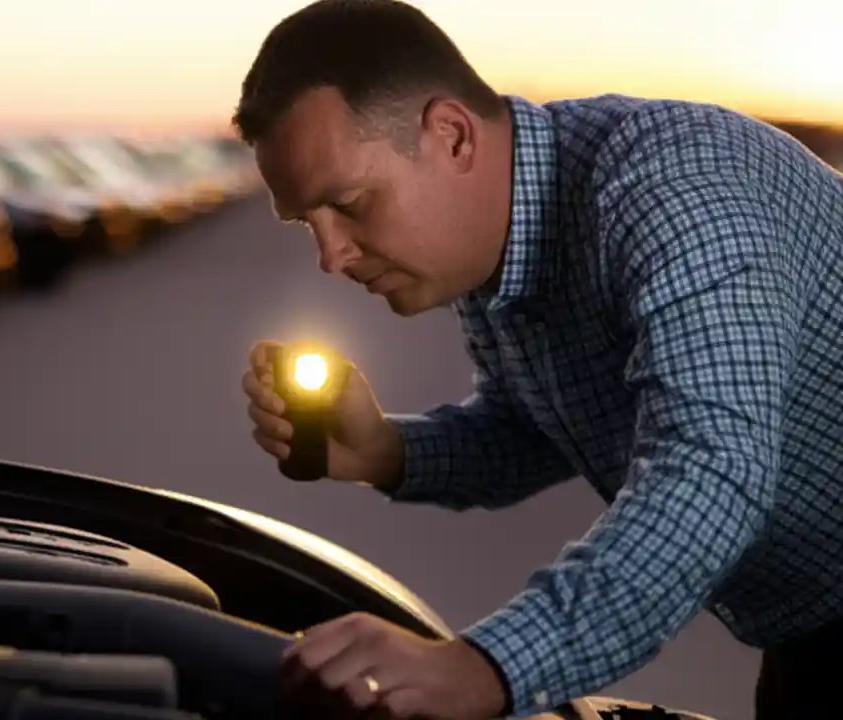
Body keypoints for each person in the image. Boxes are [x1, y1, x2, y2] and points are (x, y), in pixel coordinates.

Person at [234, 1, 843, 718]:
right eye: (310, 221)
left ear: (452, 136)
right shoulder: (502, 245)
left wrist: (480, 668)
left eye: (352, 203)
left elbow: (710, 473)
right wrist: (384, 450)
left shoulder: (673, 195)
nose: (331, 256)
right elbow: (540, 425)